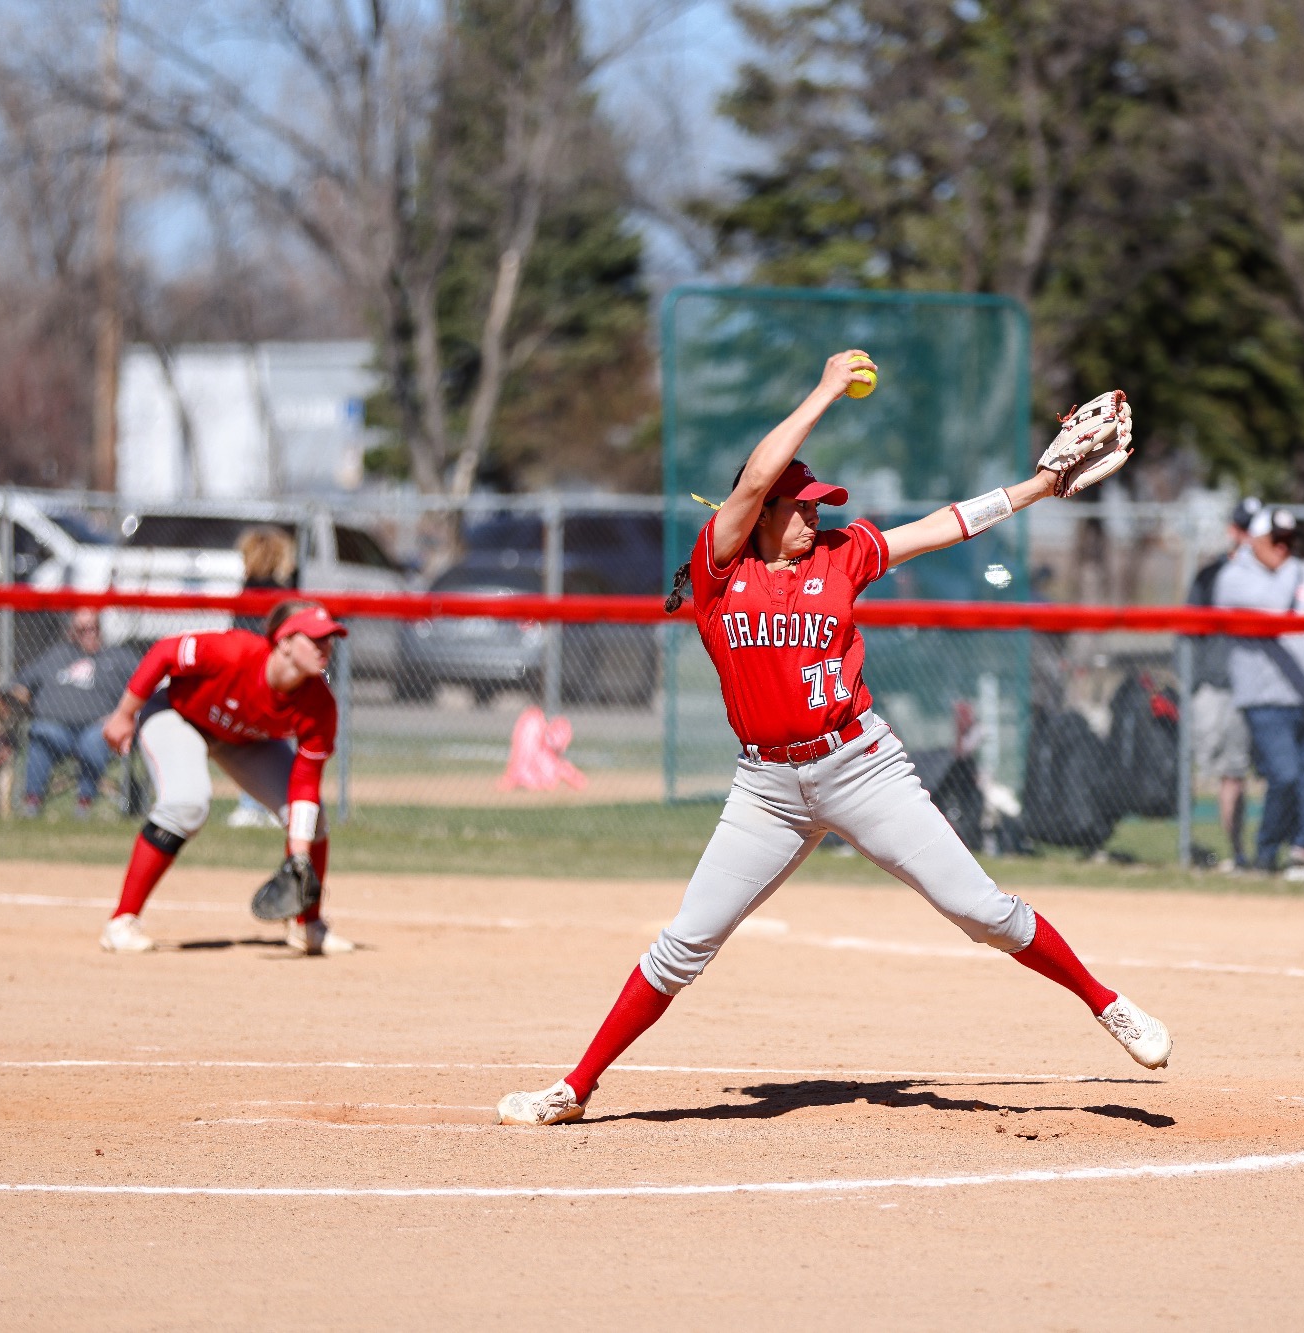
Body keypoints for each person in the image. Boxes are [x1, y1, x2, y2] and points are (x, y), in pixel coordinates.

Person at [495, 352, 1171, 1127]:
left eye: (819, 504)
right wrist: (824, 391)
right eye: (803, 504)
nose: (816, 514)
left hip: (861, 767)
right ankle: (575, 1086)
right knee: (684, 944)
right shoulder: (719, 572)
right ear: (760, 516)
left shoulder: (843, 556)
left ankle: (1108, 1004)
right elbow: (752, 481)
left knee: (980, 909)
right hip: (767, 792)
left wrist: (1036, 488)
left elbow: (940, 528)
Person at [95, 600, 355, 957]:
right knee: (186, 803)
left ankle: (308, 926)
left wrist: (299, 852)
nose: (325, 647)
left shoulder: (319, 704)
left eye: (329, 639)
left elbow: (306, 783)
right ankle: (121, 922)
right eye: (314, 639)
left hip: (245, 739)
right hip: (179, 715)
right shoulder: (235, 651)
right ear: (284, 642)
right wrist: (125, 714)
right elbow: (164, 653)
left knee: (313, 821)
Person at [1214, 507, 1304, 872]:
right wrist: (1292, 569)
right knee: (1283, 775)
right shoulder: (1235, 577)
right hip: (1266, 698)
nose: (1285, 549)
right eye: (1276, 540)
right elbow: (1274, 605)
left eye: (1290, 540)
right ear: (1254, 540)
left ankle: (1303, 850)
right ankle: (1265, 855)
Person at [1187, 497, 1262, 867]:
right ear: (1234, 531)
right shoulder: (1211, 574)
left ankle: (1235, 853)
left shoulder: (1268, 575)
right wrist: (1192, 681)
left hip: (1245, 687)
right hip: (1210, 686)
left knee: (1234, 772)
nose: (1249, 537)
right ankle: (1192, 850)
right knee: (1197, 768)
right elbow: (1187, 631)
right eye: (1244, 529)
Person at [10, 608, 139, 819]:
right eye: (83, 629)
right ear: (71, 631)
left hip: (100, 728)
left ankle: (84, 805)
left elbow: (146, 687)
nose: (90, 633)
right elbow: (21, 686)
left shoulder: (118, 658)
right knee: (40, 732)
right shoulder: (56, 655)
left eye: (94, 628)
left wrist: (122, 715)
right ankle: (31, 803)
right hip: (57, 729)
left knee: (94, 740)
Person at [228, 527, 300, 829]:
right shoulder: (281, 596)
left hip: (266, 676)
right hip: (270, 675)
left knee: (257, 740)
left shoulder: (258, 595)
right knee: (271, 740)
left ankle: (261, 805)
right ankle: (274, 804)